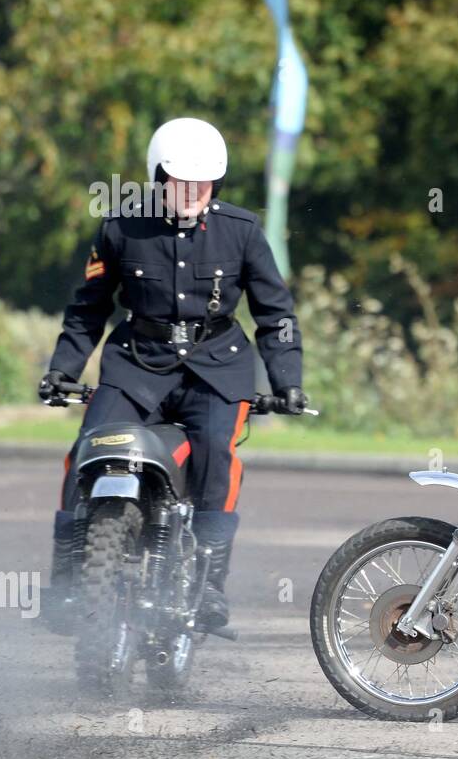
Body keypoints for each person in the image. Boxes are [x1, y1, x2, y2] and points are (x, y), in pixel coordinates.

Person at [39, 117, 306, 631]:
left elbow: (277, 316)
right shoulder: (120, 228)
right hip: (137, 363)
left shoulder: (243, 231)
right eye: (182, 181)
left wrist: (286, 381)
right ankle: (68, 579)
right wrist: (61, 371)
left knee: (217, 454)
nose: (193, 192)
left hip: (217, 368)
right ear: (159, 178)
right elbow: (87, 309)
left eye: (203, 183)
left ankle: (207, 585)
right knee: (87, 449)